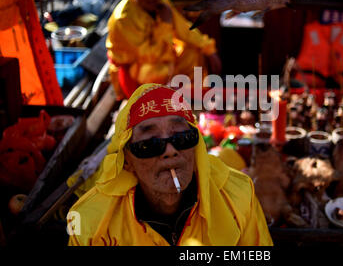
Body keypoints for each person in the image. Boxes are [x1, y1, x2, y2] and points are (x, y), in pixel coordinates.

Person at [67, 83, 273, 246]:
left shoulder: (237, 196)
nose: (170, 151)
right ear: (127, 160)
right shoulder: (92, 223)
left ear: (196, 146)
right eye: (151, 143)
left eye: (181, 137)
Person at [106, 0, 222, 99]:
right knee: (158, 71)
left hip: (163, 55)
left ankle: (193, 101)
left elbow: (185, 29)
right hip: (137, 67)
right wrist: (165, 25)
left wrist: (209, 49)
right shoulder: (123, 19)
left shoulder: (162, 2)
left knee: (193, 54)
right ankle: (164, 103)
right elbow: (146, 55)